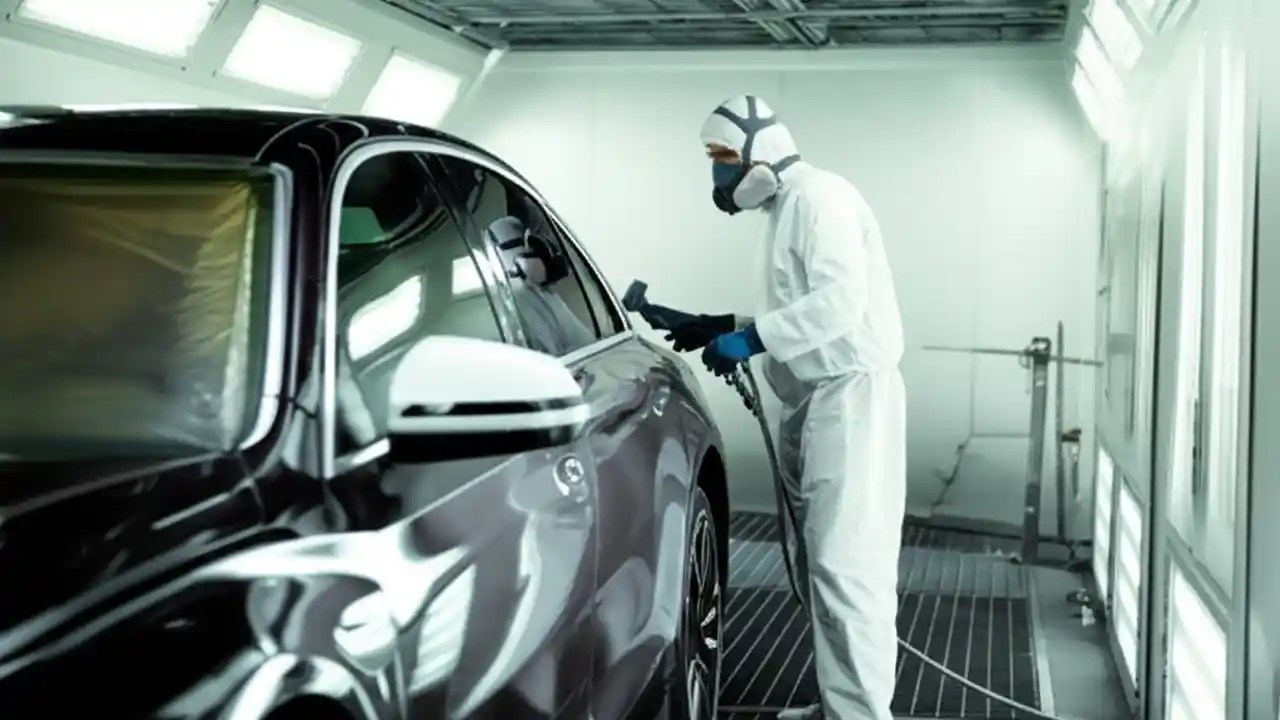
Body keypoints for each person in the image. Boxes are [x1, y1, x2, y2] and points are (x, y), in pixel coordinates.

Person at [668, 95, 907, 720]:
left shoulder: (818, 198)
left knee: (844, 565)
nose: (718, 173)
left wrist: (750, 339)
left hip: (850, 401)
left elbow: (840, 305)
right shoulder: (783, 209)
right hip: (813, 399)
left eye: (723, 157)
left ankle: (858, 715)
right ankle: (840, 704)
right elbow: (802, 307)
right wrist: (722, 323)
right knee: (817, 560)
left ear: (760, 151)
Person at [486, 215, 595, 357]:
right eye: (522, 245)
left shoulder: (543, 293)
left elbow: (584, 342)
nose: (530, 251)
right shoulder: (518, 300)